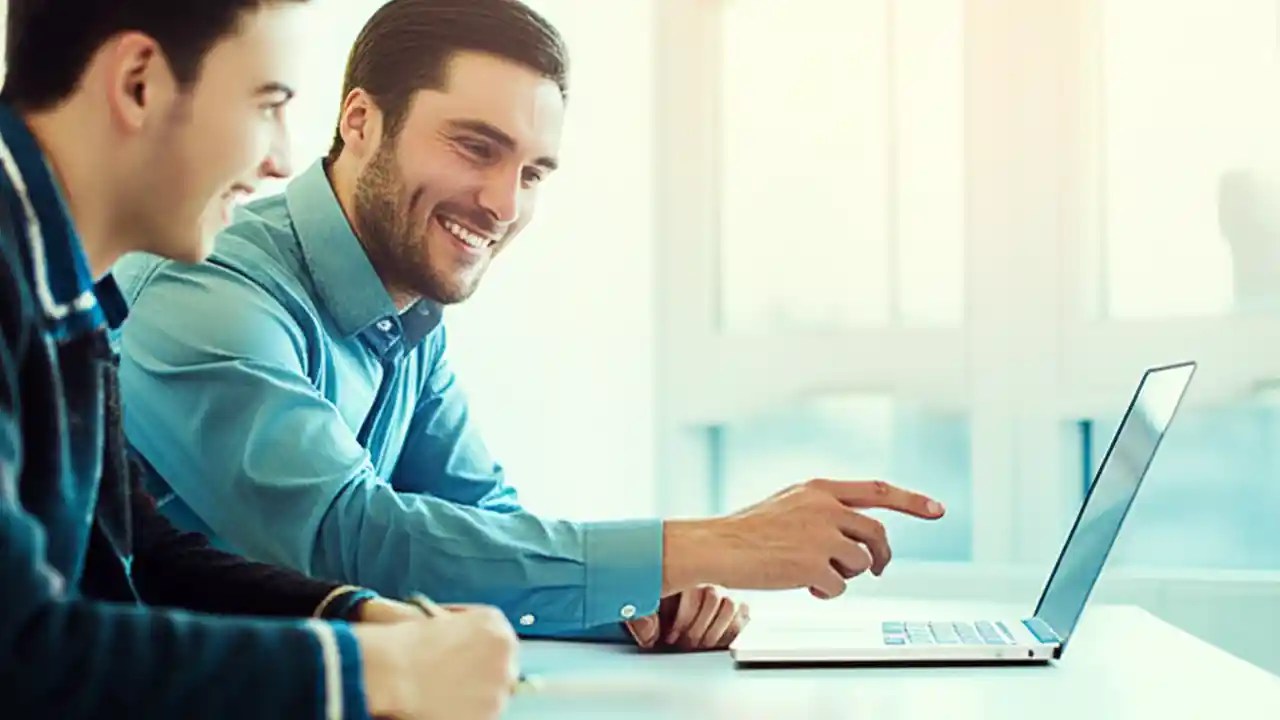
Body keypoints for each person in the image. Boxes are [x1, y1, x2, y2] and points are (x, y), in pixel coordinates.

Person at [114, 0, 948, 652]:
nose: (506, 205)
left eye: (533, 171)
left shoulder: (408, 312)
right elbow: (345, 541)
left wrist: (638, 603)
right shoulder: (203, 284)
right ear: (360, 122)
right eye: (476, 147)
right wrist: (711, 544)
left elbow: (483, 521)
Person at [0, 1, 519, 718]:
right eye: (267, 105)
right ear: (140, 82)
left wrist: (359, 616)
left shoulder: (64, 290)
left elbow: (146, 559)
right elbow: (19, 654)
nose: (280, 158)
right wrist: (367, 672)